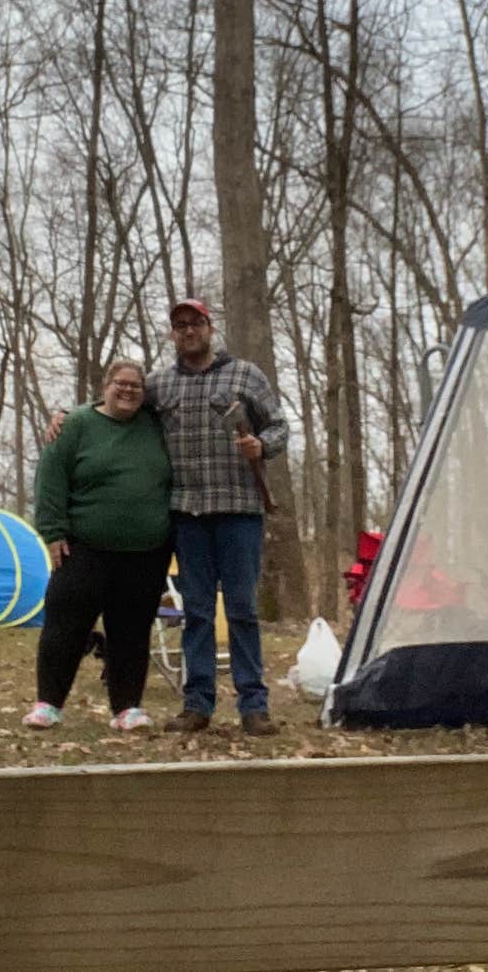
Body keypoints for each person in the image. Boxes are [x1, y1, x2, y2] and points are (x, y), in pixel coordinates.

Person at [152, 297, 288, 737]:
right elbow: (115, 403)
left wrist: (261, 446)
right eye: (179, 325)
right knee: (197, 613)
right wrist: (66, 416)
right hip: (187, 516)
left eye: (195, 323)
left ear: (210, 328)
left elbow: (280, 426)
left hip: (240, 512)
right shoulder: (160, 385)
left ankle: (254, 706)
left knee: (243, 610)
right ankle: (197, 704)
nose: (188, 331)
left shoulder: (246, 375)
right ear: (173, 334)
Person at [23, 358, 172, 731]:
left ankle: (127, 708)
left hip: (145, 552)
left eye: (136, 386)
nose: (127, 391)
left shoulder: (156, 425)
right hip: (83, 547)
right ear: (105, 386)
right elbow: (50, 479)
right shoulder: (75, 425)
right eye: (120, 384)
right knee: (66, 625)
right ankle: (48, 704)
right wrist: (53, 532)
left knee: (132, 631)